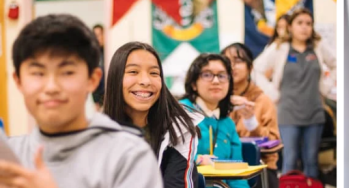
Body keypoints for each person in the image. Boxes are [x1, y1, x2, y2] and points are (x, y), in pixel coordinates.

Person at [0, 14, 161, 188]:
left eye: (67, 72)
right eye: (38, 73)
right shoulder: (9, 157)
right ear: (18, 81)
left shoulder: (128, 157)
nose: (51, 87)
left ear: (93, 79)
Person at [103, 41, 205, 188]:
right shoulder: (96, 133)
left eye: (154, 73)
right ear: (115, 78)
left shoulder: (179, 129)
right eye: (133, 72)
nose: (145, 81)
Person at [252, 8, 336, 179]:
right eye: (300, 23)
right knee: (290, 158)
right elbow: (256, 69)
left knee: (311, 160)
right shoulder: (280, 48)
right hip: (288, 112)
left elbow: (337, 64)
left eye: (309, 24)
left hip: (314, 111)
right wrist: (272, 93)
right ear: (290, 27)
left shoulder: (318, 46)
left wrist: (325, 87)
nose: (305, 27)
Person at [180, 54, 249, 188]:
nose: (216, 81)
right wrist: (198, 159)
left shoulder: (228, 123)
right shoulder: (180, 113)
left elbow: (237, 174)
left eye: (222, 76)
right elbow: (168, 158)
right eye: (207, 75)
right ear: (194, 84)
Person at [223, 43, 281, 182]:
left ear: (250, 67)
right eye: (227, 61)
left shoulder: (262, 100)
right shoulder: (216, 101)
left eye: (238, 61)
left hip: (259, 169)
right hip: (222, 168)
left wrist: (252, 124)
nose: (232, 66)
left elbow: (274, 142)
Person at [92, 24, 106, 109]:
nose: (97, 38)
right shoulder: (94, 55)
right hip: (99, 98)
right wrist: (96, 101)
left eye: (99, 35)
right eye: (95, 36)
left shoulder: (109, 52)